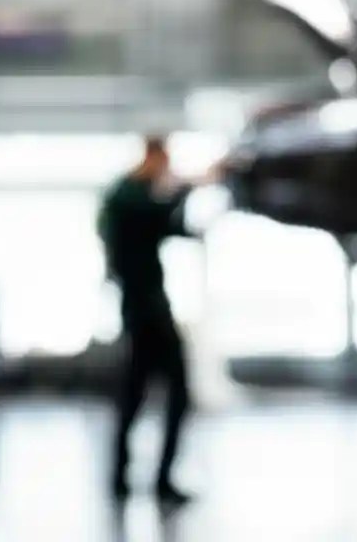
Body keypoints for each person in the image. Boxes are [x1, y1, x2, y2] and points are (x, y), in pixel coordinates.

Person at [97, 135, 213, 508]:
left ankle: (128, 478)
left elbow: (165, 225)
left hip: (143, 306)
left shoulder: (135, 196)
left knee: (136, 394)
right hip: (144, 309)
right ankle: (148, 480)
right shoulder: (126, 195)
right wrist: (187, 187)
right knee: (168, 392)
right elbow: (155, 217)